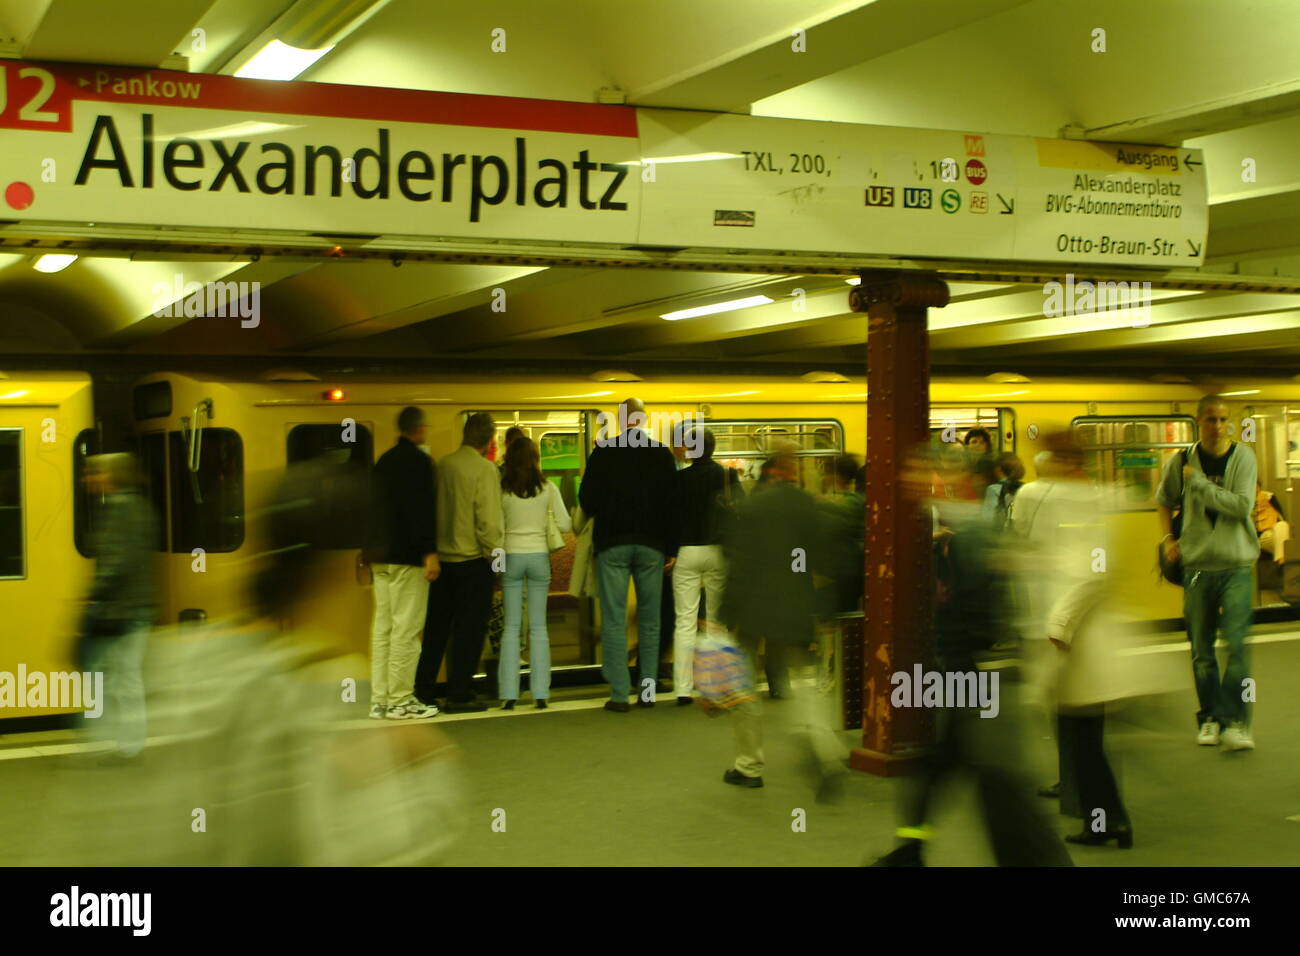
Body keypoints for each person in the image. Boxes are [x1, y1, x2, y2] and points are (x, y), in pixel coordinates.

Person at [872, 445, 1072, 867]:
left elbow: (984, 613)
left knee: (1004, 795)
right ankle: (910, 850)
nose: (912, 486)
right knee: (936, 767)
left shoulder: (970, 535)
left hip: (983, 681)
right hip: (965, 679)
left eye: (921, 476)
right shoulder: (947, 534)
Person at [719, 447, 848, 798]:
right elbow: (824, 559)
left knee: (743, 685)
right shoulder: (808, 505)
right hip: (796, 605)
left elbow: (740, 562)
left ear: (769, 472)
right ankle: (823, 749)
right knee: (803, 681)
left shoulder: (753, 507)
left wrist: (723, 615)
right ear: (794, 472)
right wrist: (825, 610)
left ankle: (748, 765)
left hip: (753, 608)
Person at [1157, 395, 1260, 750]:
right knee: (1202, 652)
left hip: (1235, 566)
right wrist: (1169, 538)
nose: (1217, 426)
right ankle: (1210, 718)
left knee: (1236, 646)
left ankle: (1235, 722)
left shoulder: (1244, 457)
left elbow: (1241, 506)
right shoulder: (1182, 460)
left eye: (1223, 420)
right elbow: (1164, 499)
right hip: (1197, 567)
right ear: (1198, 422)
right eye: (1211, 420)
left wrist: (1200, 485)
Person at [578, 398, 678, 712]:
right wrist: (671, 549)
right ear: (643, 420)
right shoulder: (661, 454)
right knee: (651, 621)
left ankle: (620, 695)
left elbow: (587, 500)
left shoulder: (603, 453)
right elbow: (672, 503)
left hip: (613, 544)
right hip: (652, 545)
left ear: (620, 421)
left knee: (613, 619)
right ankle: (647, 691)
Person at [416, 412, 504, 713]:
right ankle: (459, 693)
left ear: (465, 434)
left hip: (441, 563)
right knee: (469, 630)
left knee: (436, 629)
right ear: (489, 440)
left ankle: (424, 691)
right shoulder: (485, 470)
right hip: (472, 562)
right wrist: (497, 559)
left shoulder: (442, 465)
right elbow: (488, 522)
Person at [78, 453, 157, 766]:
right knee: (119, 677)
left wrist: (93, 593)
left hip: (125, 610)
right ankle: (118, 739)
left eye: (94, 473)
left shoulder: (122, 509)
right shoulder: (134, 506)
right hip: (131, 607)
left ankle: (128, 744)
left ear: (110, 477)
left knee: (123, 679)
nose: (89, 479)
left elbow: (118, 562)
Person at [363, 407, 441, 720]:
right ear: (420, 429)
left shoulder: (383, 462)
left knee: (382, 629)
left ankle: (380, 699)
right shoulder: (419, 463)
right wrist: (429, 552)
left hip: (379, 557)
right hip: (408, 559)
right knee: (406, 630)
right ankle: (400, 699)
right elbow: (421, 512)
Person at [498, 437, 571, 709]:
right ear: (535, 459)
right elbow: (564, 524)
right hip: (539, 557)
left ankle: (508, 694)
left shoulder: (502, 489)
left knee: (511, 628)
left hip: (511, 557)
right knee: (539, 627)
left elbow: (495, 527)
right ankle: (541, 693)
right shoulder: (548, 488)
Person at [671, 427, 729, 706]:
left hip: (686, 551)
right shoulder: (725, 477)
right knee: (716, 621)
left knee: (685, 621)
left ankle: (683, 689)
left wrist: (669, 551)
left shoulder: (679, 479)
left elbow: (669, 516)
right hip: (717, 551)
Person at [816, 453, 865, 617]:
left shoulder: (836, 506)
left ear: (835, 476)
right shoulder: (857, 501)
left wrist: (798, 569)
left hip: (835, 577)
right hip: (851, 575)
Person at [983, 452, 1025, 532]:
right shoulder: (1025, 488)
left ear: (998, 469)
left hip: (1001, 536)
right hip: (1020, 535)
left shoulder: (993, 489)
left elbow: (987, 518)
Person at [1254, 480, 1289, 563]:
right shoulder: (1243, 502)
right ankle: (1283, 559)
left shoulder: (1268, 496)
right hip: (1263, 534)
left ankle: (1283, 559)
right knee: (1279, 542)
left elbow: (1281, 515)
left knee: (1282, 525)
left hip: (1277, 529)